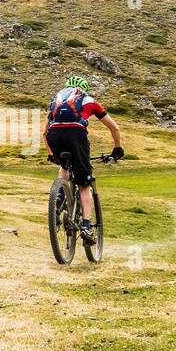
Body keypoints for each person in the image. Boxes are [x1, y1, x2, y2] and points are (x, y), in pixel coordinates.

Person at [45, 74, 124, 243]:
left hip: (55, 135)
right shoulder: (88, 100)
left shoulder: (55, 100)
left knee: (64, 166)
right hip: (76, 134)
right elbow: (114, 127)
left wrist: (51, 153)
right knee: (84, 185)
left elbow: (45, 132)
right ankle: (87, 227)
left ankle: (58, 197)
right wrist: (117, 148)